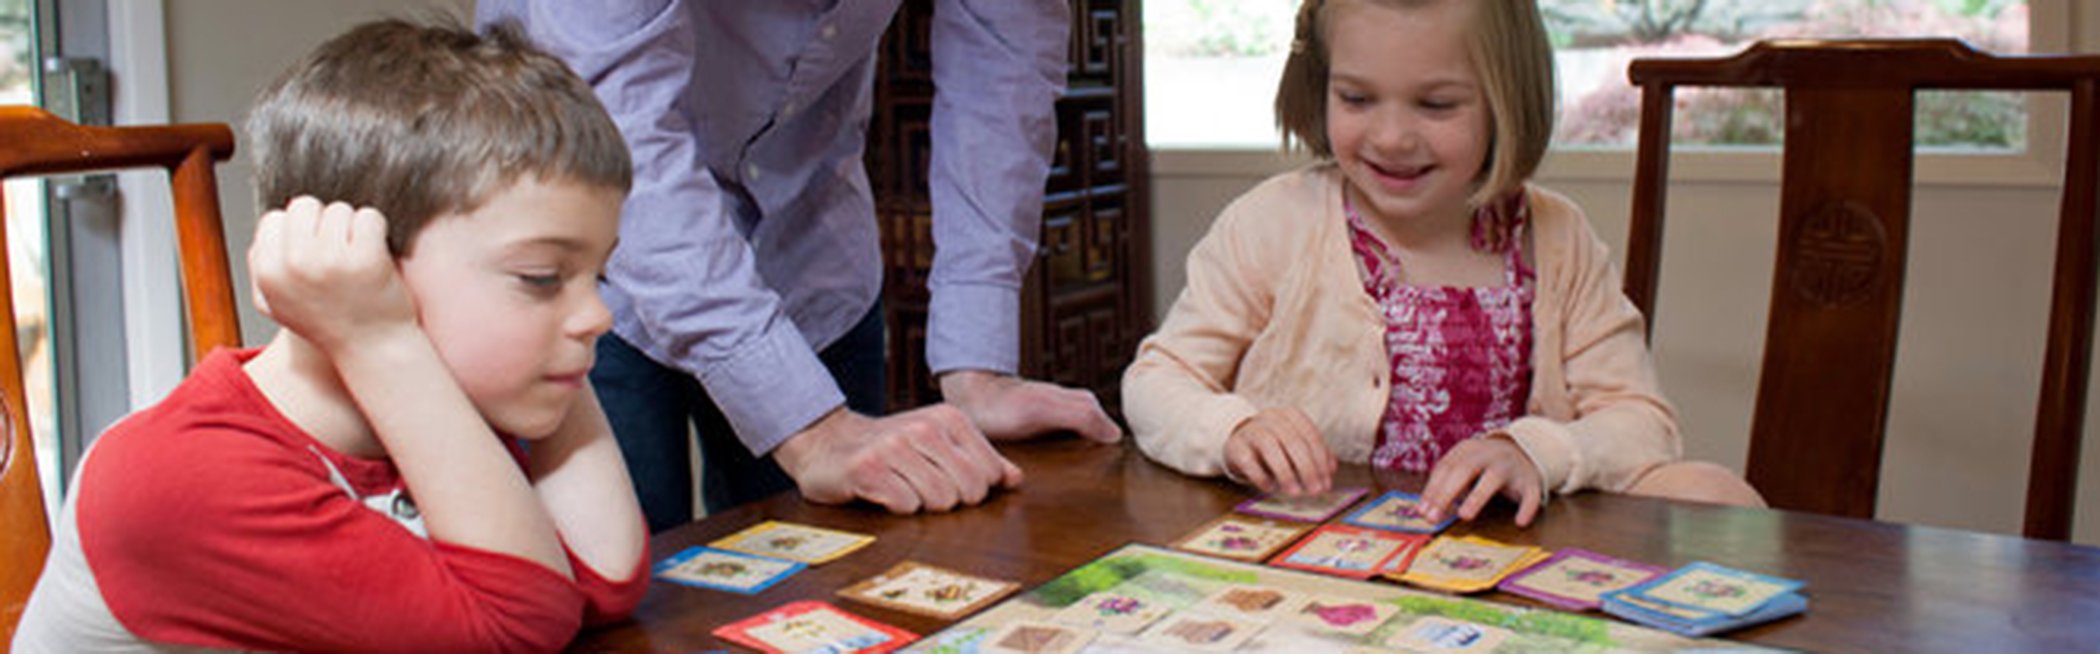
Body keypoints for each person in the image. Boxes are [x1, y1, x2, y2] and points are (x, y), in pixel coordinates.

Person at [12, 19, 648, 652]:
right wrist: (380, 340)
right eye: (541, 276)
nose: (598, 315)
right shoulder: (174, 475)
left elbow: (604, 584)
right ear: (360, 264)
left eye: (598, 273)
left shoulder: (446, 414)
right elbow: (519, 628)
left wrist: (554, 350)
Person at [476, 1, 1122, 530]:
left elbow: (1001, 74)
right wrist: (809, 430)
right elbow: (619, 133)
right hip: (590, 269)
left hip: (813, 248)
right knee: (613, 592)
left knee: (845, 577)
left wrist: (977, 367)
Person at [1123, 0, 1764, 528]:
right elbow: (1155, 384)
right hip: (1315, 556)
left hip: (1505, 560)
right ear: (1322, 87)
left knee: (1716, 492)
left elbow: (1644, 425)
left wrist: (1534, 451)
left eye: (1436, 105)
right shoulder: (1271, 224)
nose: (1392, 137)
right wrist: (1233, 428)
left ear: (1506, 100)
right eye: (1356, 98)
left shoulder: (1555, 236)